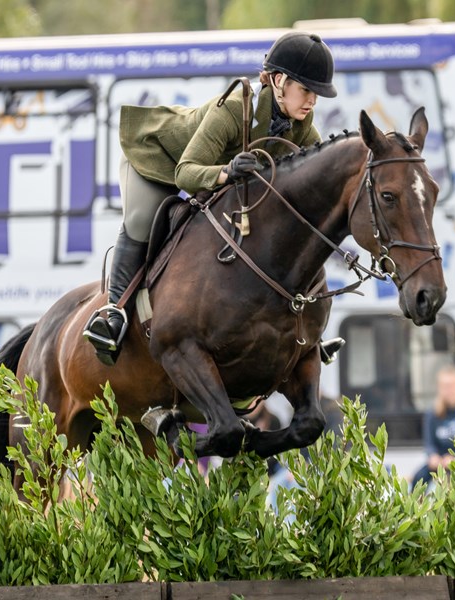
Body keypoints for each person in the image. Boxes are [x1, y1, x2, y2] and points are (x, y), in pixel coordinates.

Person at [83, 31, 345, 366]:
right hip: (159, 159)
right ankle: (113, 314)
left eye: (317, 94)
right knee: (142, 221)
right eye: (306, 90)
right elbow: (186, 173)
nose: (312, 101)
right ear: (278, 81)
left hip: (212, 177)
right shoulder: (237, 109)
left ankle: (306, 335)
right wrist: (227, 172)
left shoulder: (304, 129)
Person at [412, 366, 455, 488]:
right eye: (445, 387)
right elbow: (429, 443)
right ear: (439, 388)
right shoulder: (433, 414)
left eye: (452, 385)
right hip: (440, 464)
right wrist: (433, 456)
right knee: (418, 478)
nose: (450, 390)